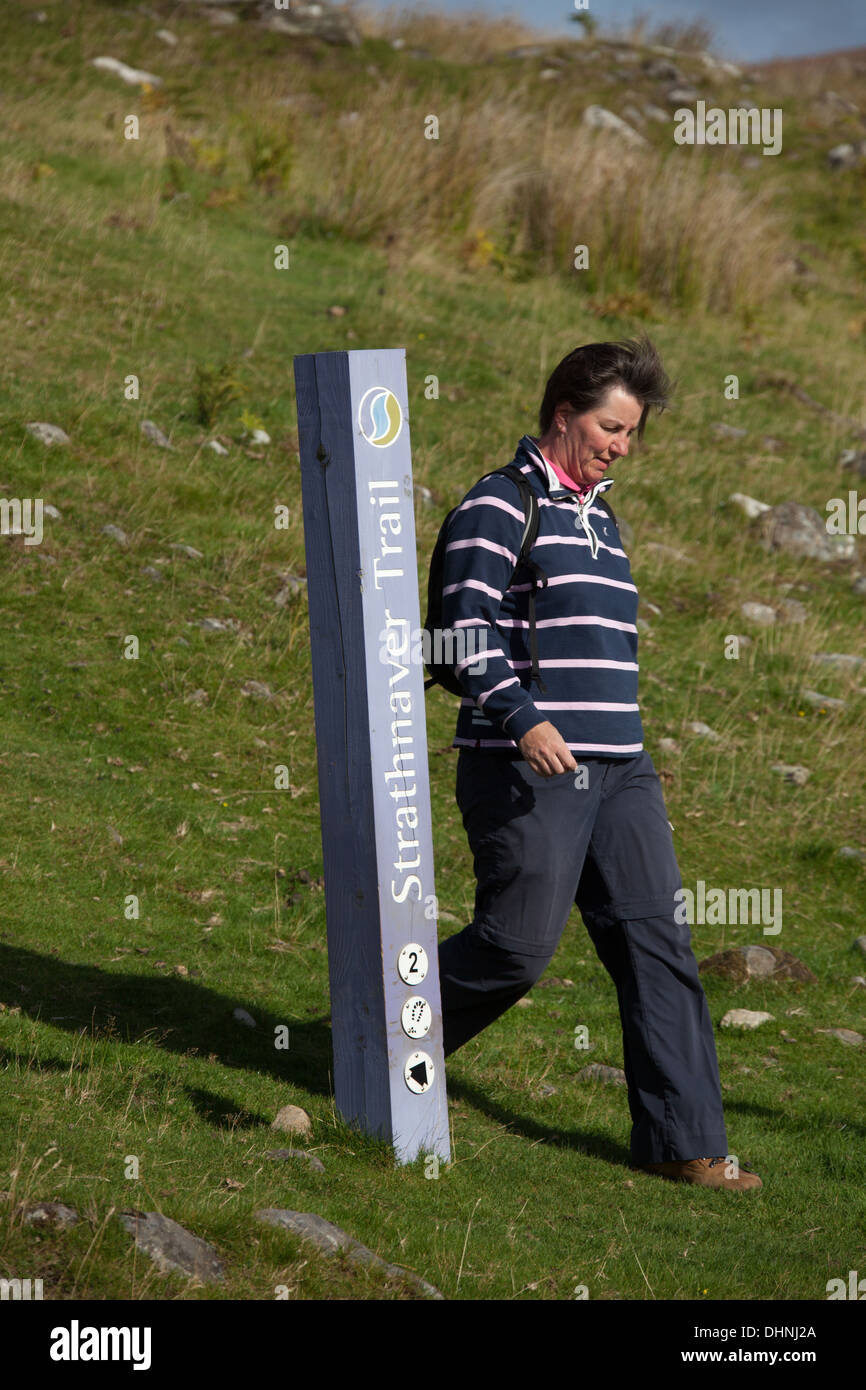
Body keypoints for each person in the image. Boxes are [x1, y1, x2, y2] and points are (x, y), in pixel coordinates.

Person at [436, 336, 762, 1192]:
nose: (622, 446)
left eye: (631, 434)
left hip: (623, 771)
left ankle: (684, 1145)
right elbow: (460, 629)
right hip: (530, 767)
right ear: (562, 416)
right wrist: (523, 719)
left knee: (658, 946)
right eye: (611, 427)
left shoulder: (602, 517)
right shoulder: (500, 505)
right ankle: (372, 1038)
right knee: (514, 952)